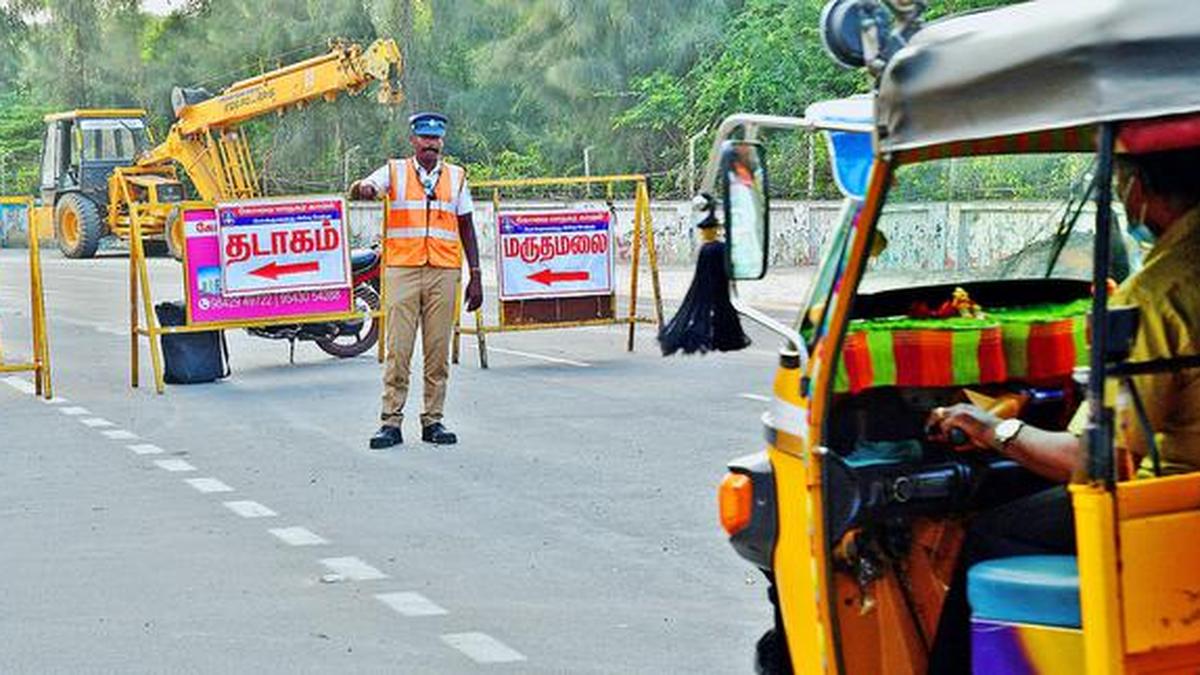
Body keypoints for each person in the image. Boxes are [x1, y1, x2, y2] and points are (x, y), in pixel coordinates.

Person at [925, 146, 1200, 674]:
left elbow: (1095, 460)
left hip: (1167, 511)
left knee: (987, 532)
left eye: (1121, 183)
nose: (1122, 197)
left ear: (1139, 189)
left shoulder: (1155, 295)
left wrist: (993, 428)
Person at [350, 112, 483, 448]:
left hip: (443, 271)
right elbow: (369, 187)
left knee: (437, 352)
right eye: (424, 138)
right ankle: (391, 423)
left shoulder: (456, 177)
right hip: (402, 270)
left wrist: (476, 275)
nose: (430, 144)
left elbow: (466, 226)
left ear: (442, 142)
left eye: (435, 139)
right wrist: (363, 189)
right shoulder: (394, 171)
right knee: (399, 350)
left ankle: (433, 421)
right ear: (413, 140)